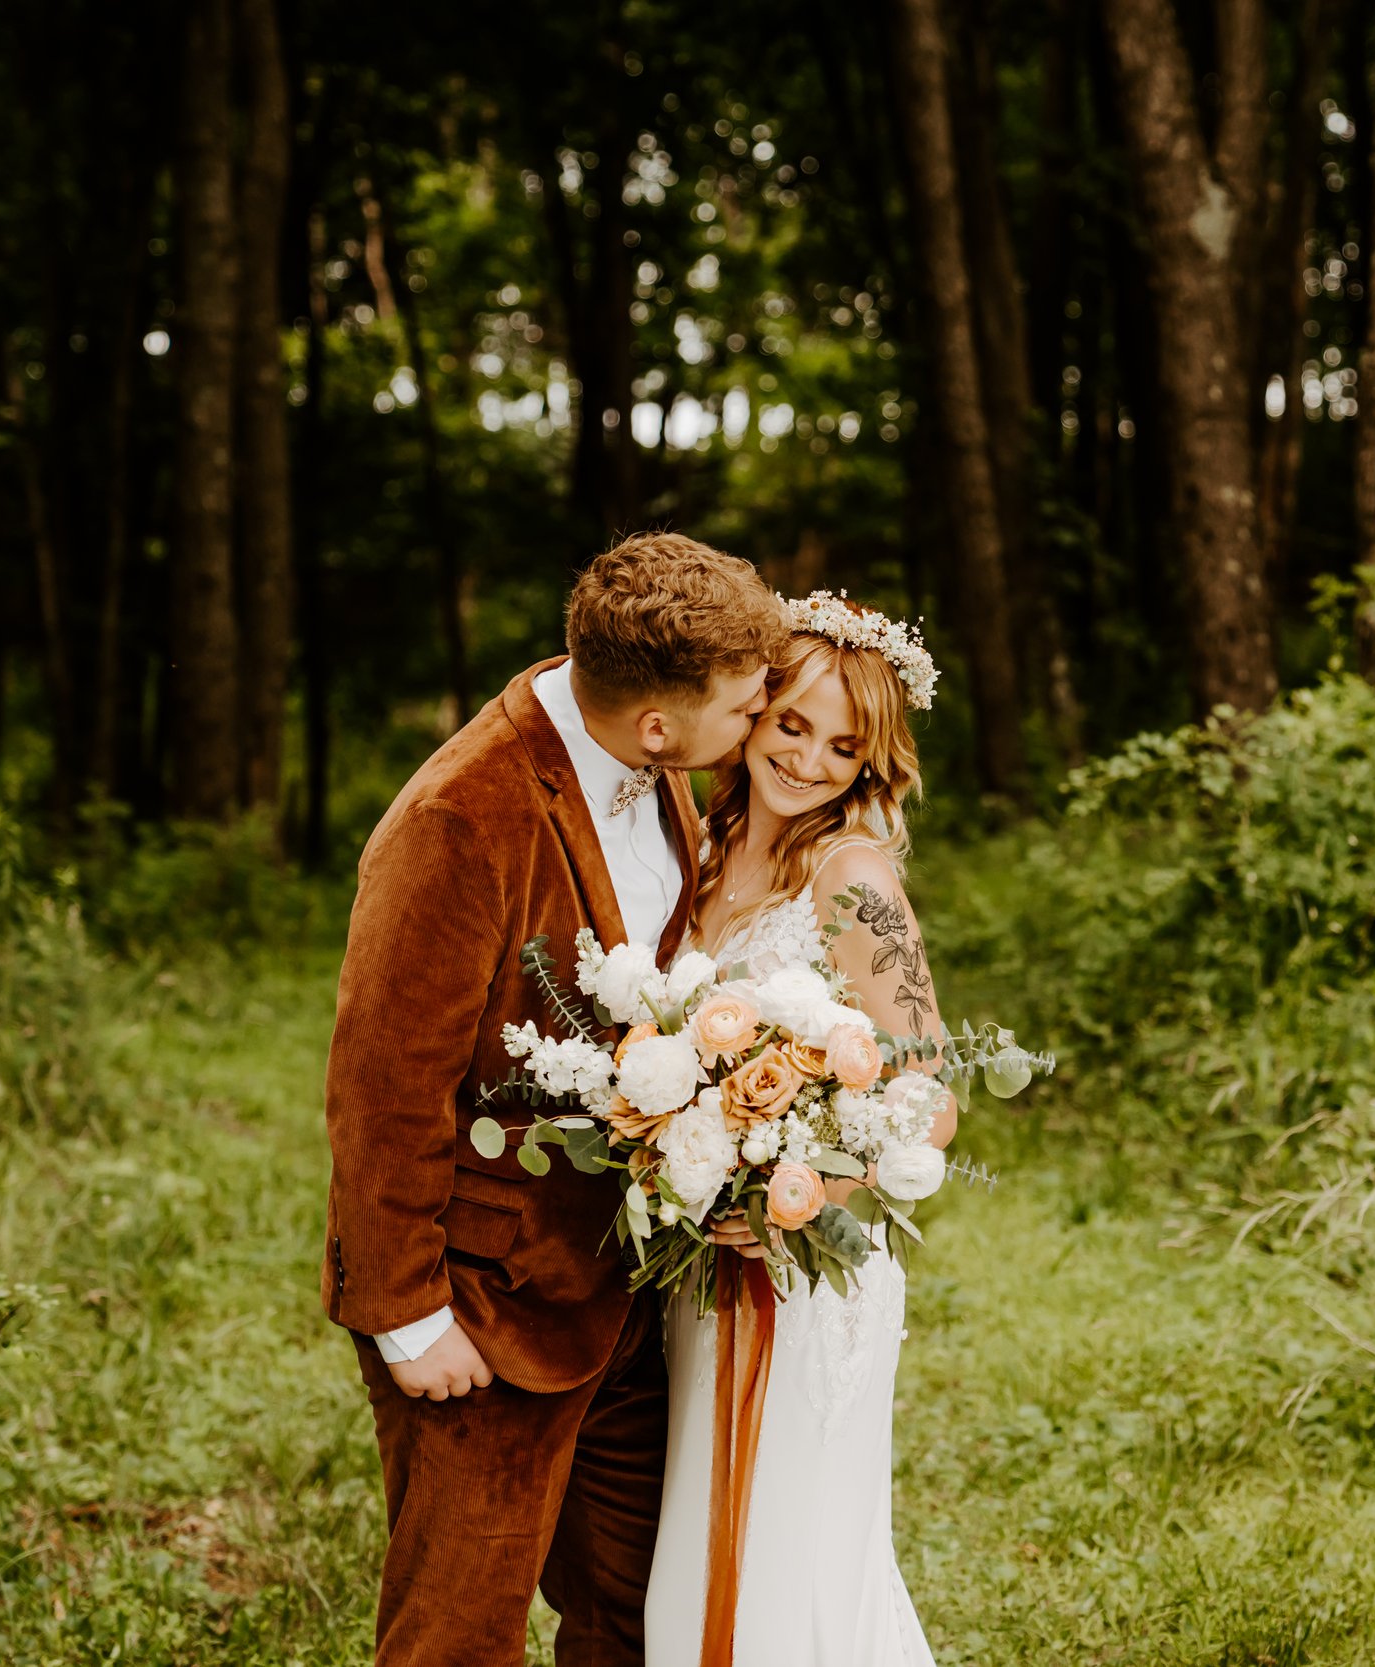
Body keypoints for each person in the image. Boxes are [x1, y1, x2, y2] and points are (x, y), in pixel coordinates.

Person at [320, 532, 787, 1667]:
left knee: (634, 1618)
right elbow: (382, 1084)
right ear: (660, 728)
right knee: (460, 1634)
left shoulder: (656, 765)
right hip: (486, 1308)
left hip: (630, 1290)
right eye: (744, 705)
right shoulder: (457, 818)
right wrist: (405, 1315)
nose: (762, 722)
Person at [644, 593, 955, 1667]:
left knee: (793, 1557)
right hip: (703, 1271)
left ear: (872, 763)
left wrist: (800, 1185)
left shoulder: (852, 876)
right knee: (700, 1539)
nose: (812, 760)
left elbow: (930, 1089)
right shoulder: (697, 839)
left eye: (844, 744)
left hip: (806, 1273)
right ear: (754, 711)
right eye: (792, 724)